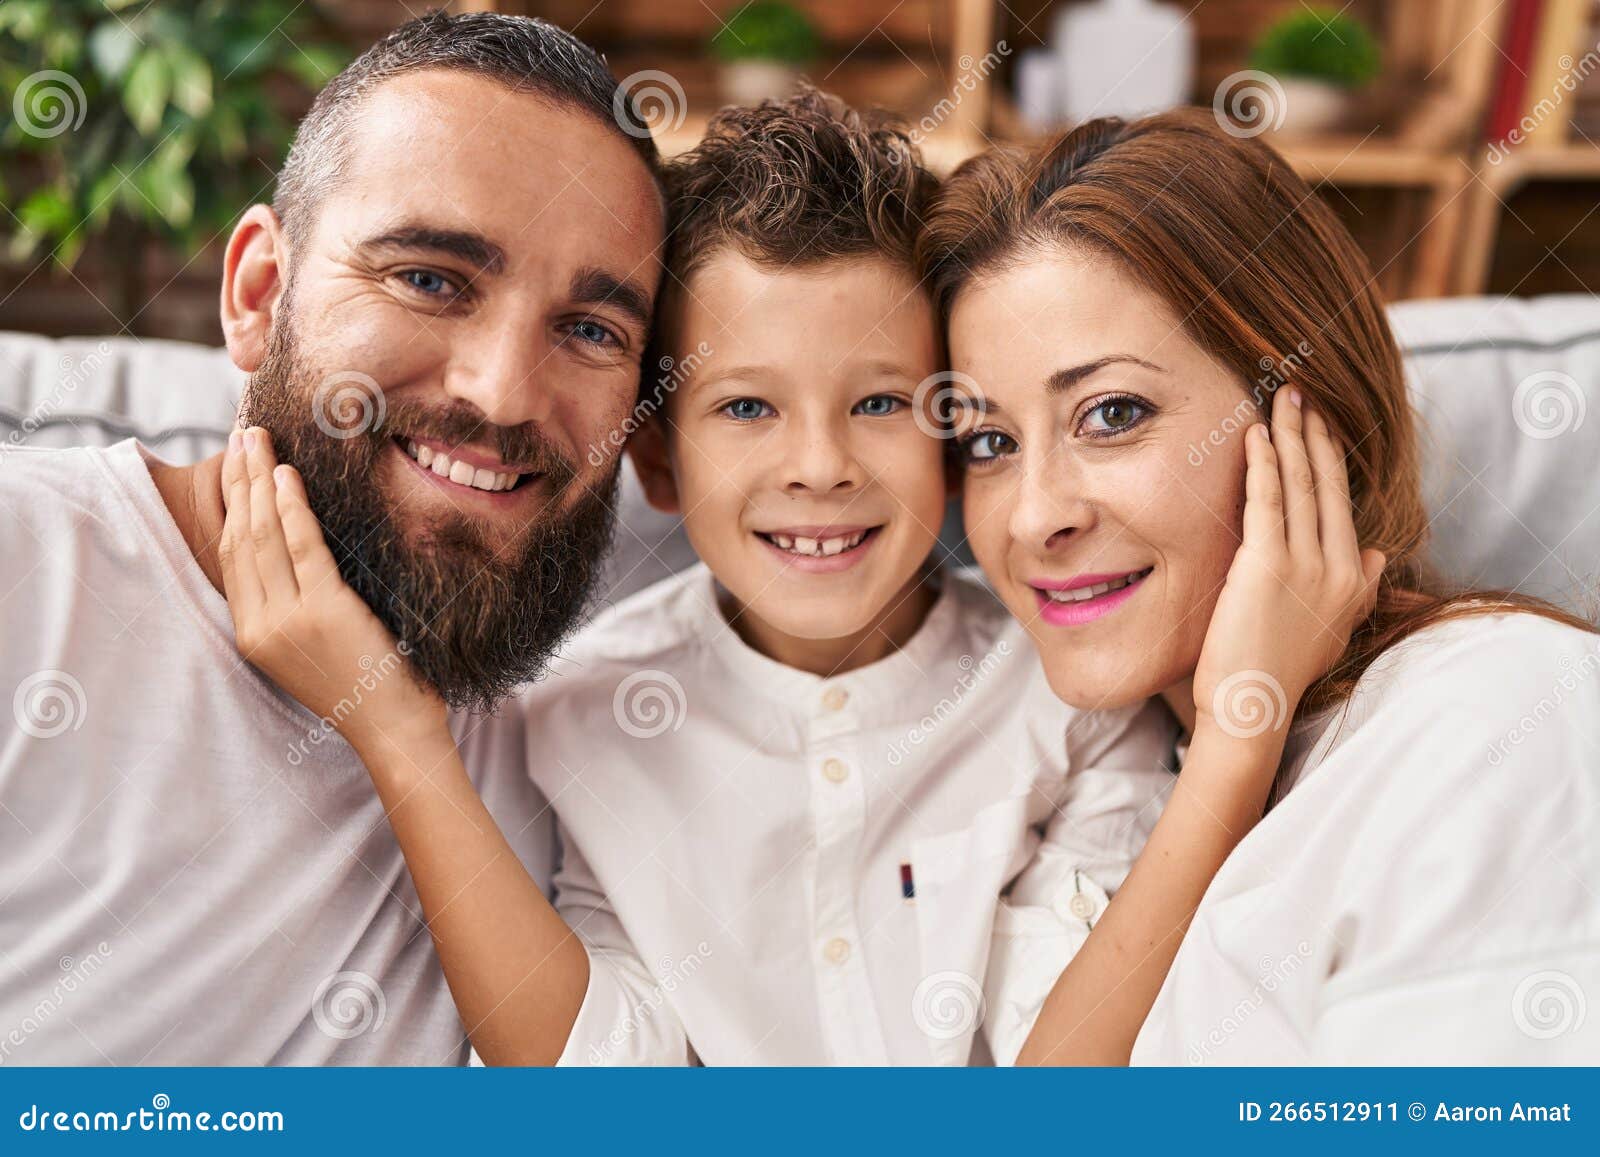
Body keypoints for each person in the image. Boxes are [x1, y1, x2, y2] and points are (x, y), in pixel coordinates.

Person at [216, 91, 1377, 1066]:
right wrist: (400, 734)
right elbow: (602, 1077)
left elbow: (1058, 1090)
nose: (819, 467)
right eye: (746, 407)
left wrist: (1236, 736)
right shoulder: (580, 716)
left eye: (879, 401)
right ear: (656, 458)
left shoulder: (1069, 691)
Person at [0, 11, 663, 1064]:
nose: (503, 393)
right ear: (259, 294)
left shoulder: (598, 728)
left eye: (591, 330)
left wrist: (396, 731)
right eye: (429, 279)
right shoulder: (26, 566)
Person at [919, 109, 1600, 1064]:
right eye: (990, 441)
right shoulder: (1089, 783)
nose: (1033, 518)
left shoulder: (1495, 714)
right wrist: (1236, 738)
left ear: (1308, 417)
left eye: (1112, 414)